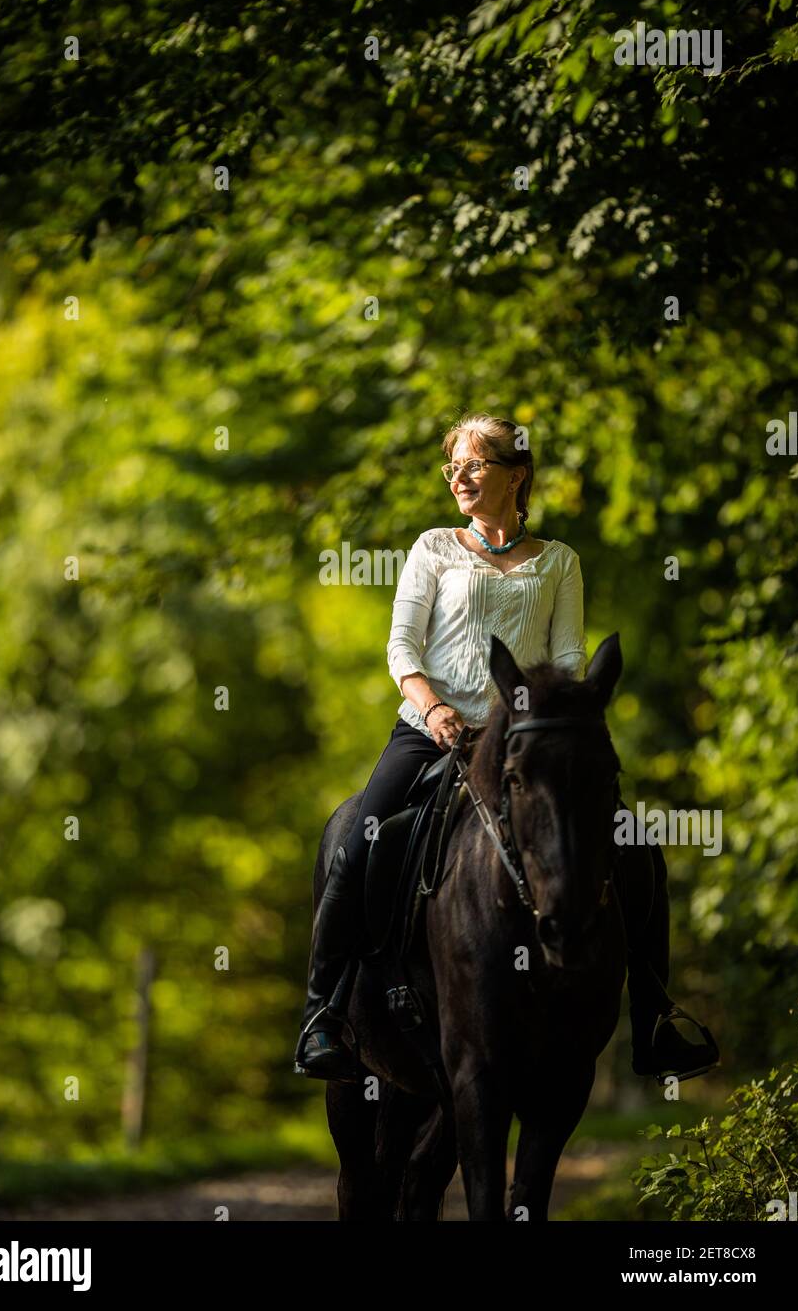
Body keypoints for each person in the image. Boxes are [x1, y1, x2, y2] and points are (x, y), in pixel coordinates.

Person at [295, 412, 720, 1085]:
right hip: (428, 731)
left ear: (515, 476)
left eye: (475, 464)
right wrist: (434, 710)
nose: (459, 477)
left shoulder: (559, 562)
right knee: (354, 841)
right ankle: (323, 1012)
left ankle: (655, 1018)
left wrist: (556, 718)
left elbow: (571, 655)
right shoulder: (433, 548)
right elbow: (402, 648)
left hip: (522, 741)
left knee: (635, 845)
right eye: (453, 467)